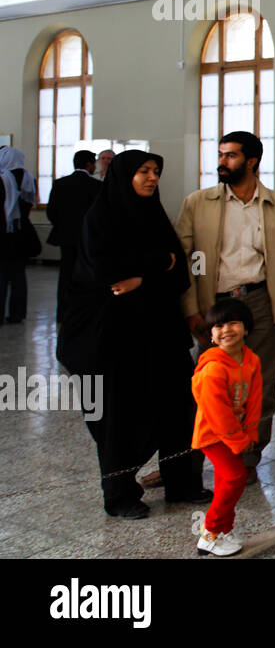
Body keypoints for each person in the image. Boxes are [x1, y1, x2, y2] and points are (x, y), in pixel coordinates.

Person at [56, 150, 210, 518]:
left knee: (179, 407)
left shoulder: (156, 217)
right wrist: (156, 265)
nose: (151, 177)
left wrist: (142, 276)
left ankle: (183, 482)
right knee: (120, 415)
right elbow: (105, 272)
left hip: (160, 331)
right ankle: (120, 495)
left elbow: (179, 275)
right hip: (115, 337)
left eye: (156, 171)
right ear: (124, 176)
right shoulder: (101, 217)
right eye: (143, 171)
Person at [176, 131, 275, 472]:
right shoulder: (197, 203)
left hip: (261, 303)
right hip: (214, 306)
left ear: (251, 161)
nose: (222, 162)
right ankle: (184, 464)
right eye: (220, 155)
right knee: (204, 387)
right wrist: (191, 308)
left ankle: (246, 458)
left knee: (259, 386)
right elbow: (188, 259)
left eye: (230, 156)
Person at [192, 297, 261, 557]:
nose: (226, 330)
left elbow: (255, 401)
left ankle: (224, 530)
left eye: (233, 323)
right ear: (211, 334)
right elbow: (217, 414)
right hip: (213, 436)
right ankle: (208, 534)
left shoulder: (251, 359)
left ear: (246, 327)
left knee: (225, 482)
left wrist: (251, 434)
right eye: (218, 326)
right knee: (234, 478)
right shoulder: (212, 370)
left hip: (236, 434)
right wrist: (239, 441)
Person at [45, 149, 101, 323]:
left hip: (66, 236)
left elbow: (51, 211)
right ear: (88, 164)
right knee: (87, 274)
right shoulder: (96, 186)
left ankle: (63, 312)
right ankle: (85, 313)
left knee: (66, 274)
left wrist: (63, 226)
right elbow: (99, 214)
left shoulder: (60, 183)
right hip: (88, 238)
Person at [0, 146, 38, 324]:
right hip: (23, 232)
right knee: (18, 276)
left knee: (2, 276)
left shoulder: (3, 179)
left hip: (5, 234)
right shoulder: (29, 179)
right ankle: (17, 313)